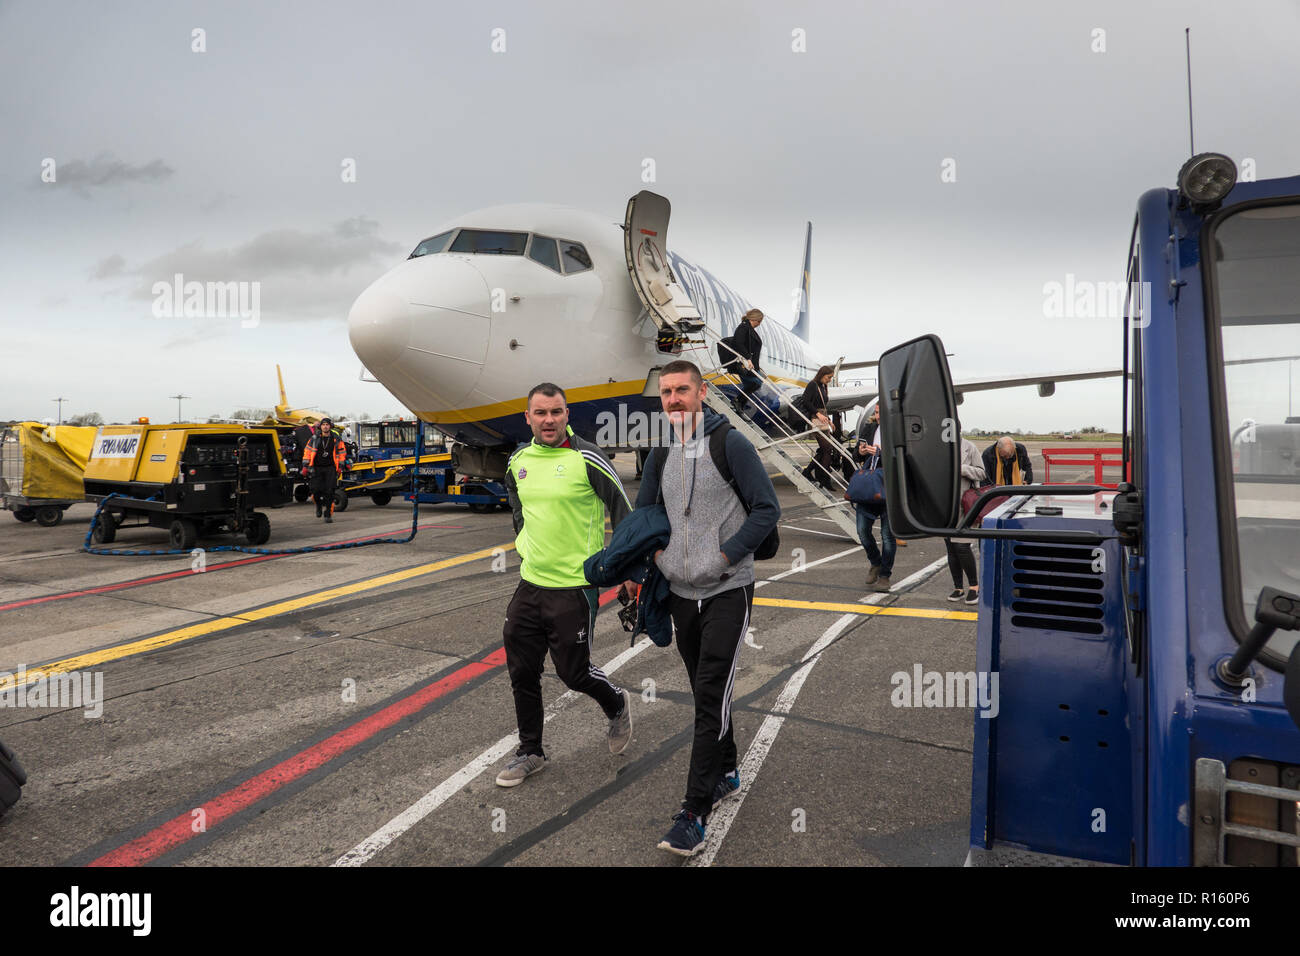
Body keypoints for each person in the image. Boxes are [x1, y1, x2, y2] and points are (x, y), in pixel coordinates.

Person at [629, 359, 779, 856]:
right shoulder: (660, 451)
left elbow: (766, 509)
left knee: (711, 691)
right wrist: (655, 558)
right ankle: (728, 770)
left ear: (701, 393)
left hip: (727, 589)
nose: (673, 399)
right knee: (703, 691)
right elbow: (646, 515)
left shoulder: (730, 443)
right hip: (678, 593)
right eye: (666, 392)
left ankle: (694, 812)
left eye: (682, 391)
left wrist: (724, 556)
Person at [495, 383, 635, 788]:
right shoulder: (518, 460)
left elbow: (623, 511)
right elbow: (517, 504)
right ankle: (531, 750)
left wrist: (626, 570)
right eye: (540, 413)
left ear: (566, 414)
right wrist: (524, 543)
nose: (549, 420)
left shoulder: (588, 457)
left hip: (576, 586)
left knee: (574, 674)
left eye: (556, 412)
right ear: (528, 418)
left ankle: (616, 703)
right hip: (530, 583)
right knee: (522, 669)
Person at [854, 405, 896, 591]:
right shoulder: (869, 428)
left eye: (880, 412)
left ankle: (885, 575)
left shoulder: (897, 430)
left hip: (889, 486)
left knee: (887, 536)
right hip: (870, 485)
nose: (877, 416)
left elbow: (907, 457)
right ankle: (875, 562)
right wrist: (862, 452)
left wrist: (883, 451)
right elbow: (856, 453)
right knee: (862, 530)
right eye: (876, 412)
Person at [947, 430, 987, 604]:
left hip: (965, 505)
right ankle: (958, 587)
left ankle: (974, 587)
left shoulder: (970, 447)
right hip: (945, 506)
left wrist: (963, 469)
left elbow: (981, 473)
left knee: (962, 547)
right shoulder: (938, 449)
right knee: (950, 548)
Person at [796, 365, 838, 489]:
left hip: (823, 420)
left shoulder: (823, 386)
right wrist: (818, 414)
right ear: (822, 374)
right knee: (827, 448)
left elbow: (823, 406)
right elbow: (805, 401)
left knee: (825, 450)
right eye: (829, 377)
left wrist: (829, 421)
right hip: (816, 420)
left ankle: (808, 472)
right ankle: (823, 478)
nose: (830, 380)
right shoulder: (813, 385)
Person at [300, 417, 348, 522]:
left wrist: (340, 466)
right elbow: (307, 452)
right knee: (315, 491)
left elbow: (342, 453)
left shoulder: (336, 438)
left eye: (327, 424)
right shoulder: (314, 438)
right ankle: (318, 505)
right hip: (316, 468)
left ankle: (328, 515)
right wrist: (305, 465)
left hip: (331, 468)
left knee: (330, 492)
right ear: (320, 426)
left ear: (330, 426)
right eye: (323, 424)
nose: (325, 426)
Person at [731, 308, 766, 415]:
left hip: (751, 364)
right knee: (757, 382)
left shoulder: (748, 328)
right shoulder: (744, 327)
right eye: (759, 321)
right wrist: (747, 358)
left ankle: (740, 404)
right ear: (755, 319)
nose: (759, 324)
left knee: (756, 382)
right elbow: (738, 342)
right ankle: (738, 401)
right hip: (745, 364)